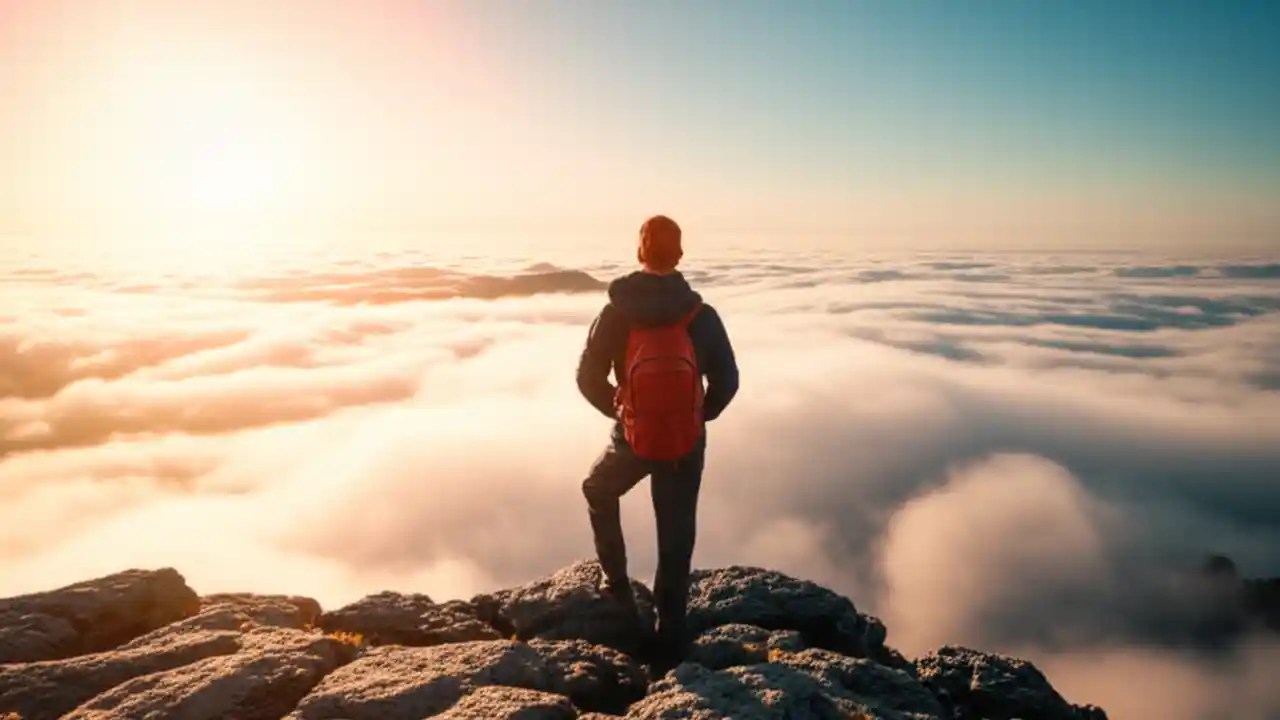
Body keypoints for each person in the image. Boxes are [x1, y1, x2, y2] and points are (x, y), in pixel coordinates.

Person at [576, 214, 739, 670]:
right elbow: (727, 380)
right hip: (685, 442)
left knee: (597, 489)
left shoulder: (615, 312)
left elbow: (587, 377)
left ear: (639, 253)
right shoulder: (701, 316)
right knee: (676, 531)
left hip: (632, 438)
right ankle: (671, 638)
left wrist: (624, 413)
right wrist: (697, 417)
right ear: (680, 254)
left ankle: (617, 587)